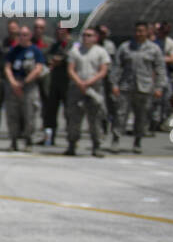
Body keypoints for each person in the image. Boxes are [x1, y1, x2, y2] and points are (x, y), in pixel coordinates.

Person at [111, 21, 164, 154]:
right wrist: (114, 84)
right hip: (126, 87)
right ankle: (116, 140)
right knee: (121, 115)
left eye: (141, 31)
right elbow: (117, 67)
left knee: (142, 117)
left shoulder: (154, 49)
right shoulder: (125, 47)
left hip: (144, 88)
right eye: (136, 31)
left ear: (147, 32)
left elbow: (160, 69)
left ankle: (137, 141)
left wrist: (159, 87)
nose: (138, 33)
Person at [65, 27, 109, 158]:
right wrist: (80, 82)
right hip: (76, 89)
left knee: (95, 119)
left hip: (93, 89)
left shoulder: (101, 52)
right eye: (84, 35)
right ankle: (72, 145)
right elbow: (71, 69)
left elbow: (103, 70)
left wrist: (89, 82)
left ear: (96, 38)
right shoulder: (75, 51)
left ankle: (96, 146)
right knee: (74, 119)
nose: (86, 38)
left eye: (89, 35)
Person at [4, 25, 45, 152]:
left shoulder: (35, 51)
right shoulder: (13, 50)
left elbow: (39, 68)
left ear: (30, 36)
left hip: (29, 87)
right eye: (20, 35)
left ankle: (28, 141)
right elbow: (7, 67)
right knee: (12, 115)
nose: (22, 37)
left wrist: (25, 82)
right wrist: (13, 82)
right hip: (14, 86)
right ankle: (13, 141)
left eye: (25, 35)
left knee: (30, 115)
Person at [43, 25, 72, 145]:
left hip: (68, 83)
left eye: (61, 28)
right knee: (50, 112)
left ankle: (72, 139)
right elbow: (46, 56)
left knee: (70, 112)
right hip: (54, 83)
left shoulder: (73, 44)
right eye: (57, 28)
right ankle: (49, 138)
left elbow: (69, 57)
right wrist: (54, 60)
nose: (58, 31)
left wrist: (60, 60)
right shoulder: (54, 45)